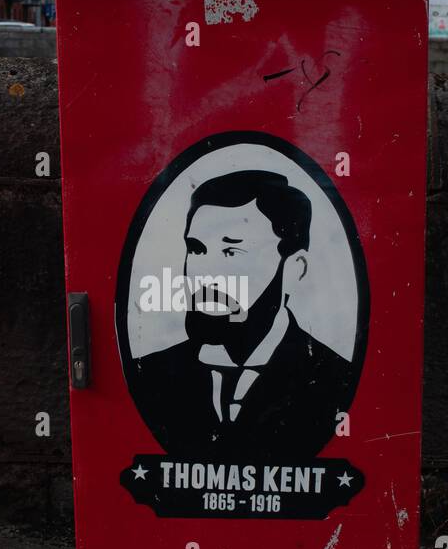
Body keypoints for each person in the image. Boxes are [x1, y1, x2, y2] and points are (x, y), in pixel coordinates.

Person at [131, 170, 354, 458]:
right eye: (197, 250)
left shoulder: (333, 380)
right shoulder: (150, 376)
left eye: (231, 253)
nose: (204, 275)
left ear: (294, 269)